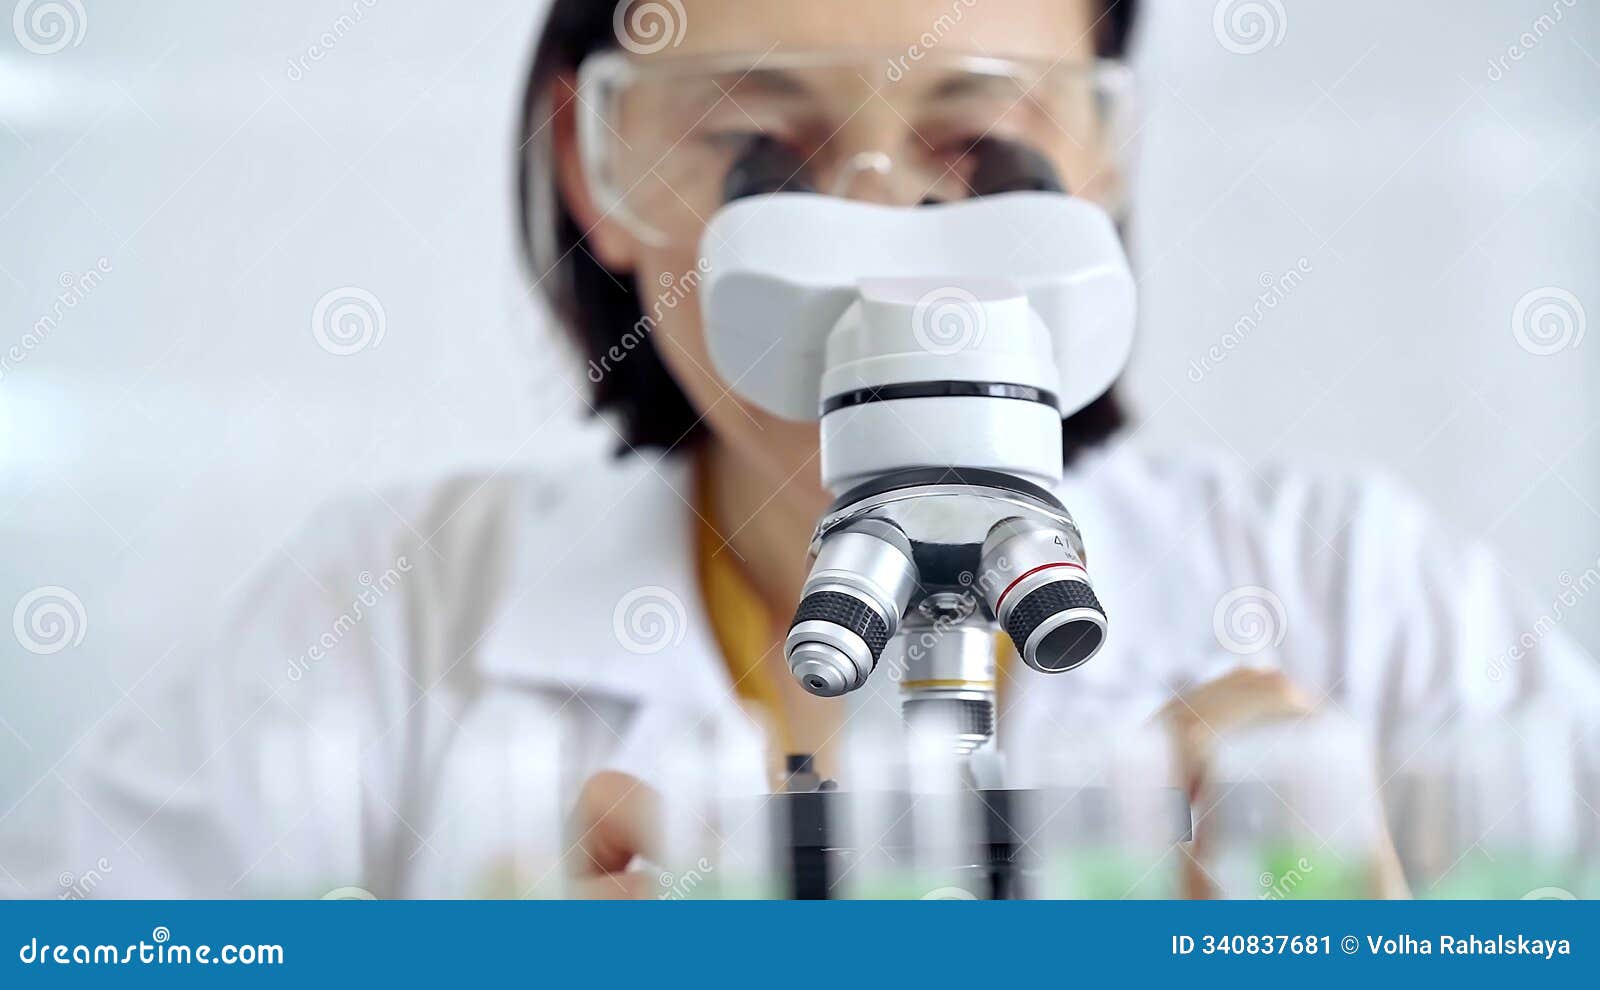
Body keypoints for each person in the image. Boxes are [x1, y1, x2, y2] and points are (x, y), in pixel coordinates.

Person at [37, 0, 1598, 900]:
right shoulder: (387, 612)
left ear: (1099, 166)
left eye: (978, 149)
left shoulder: (1355, 589)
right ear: (601, 174)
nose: (873, 240)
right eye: (756, 155)